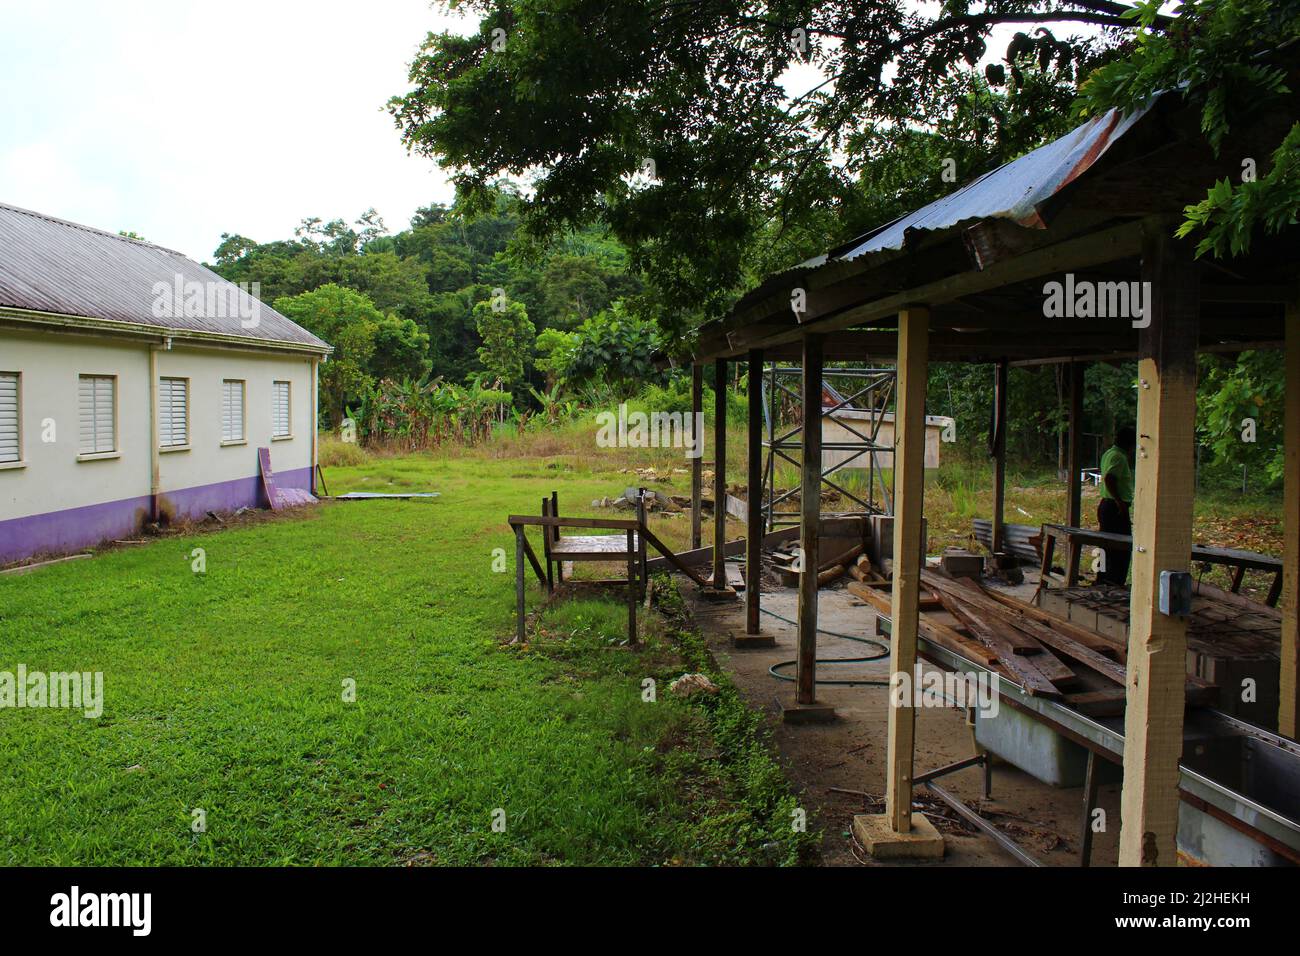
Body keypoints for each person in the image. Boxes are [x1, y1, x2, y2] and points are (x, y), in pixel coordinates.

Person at [1096, 425, 1136, 585]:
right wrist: (1120, 502)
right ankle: (1113, 581)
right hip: (1114, 507)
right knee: (1121, 548)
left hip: (1108, 505)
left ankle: (1103, 579)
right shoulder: (1119, 457)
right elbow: (1109, 478)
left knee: (1106, 547)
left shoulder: (1109, 453)